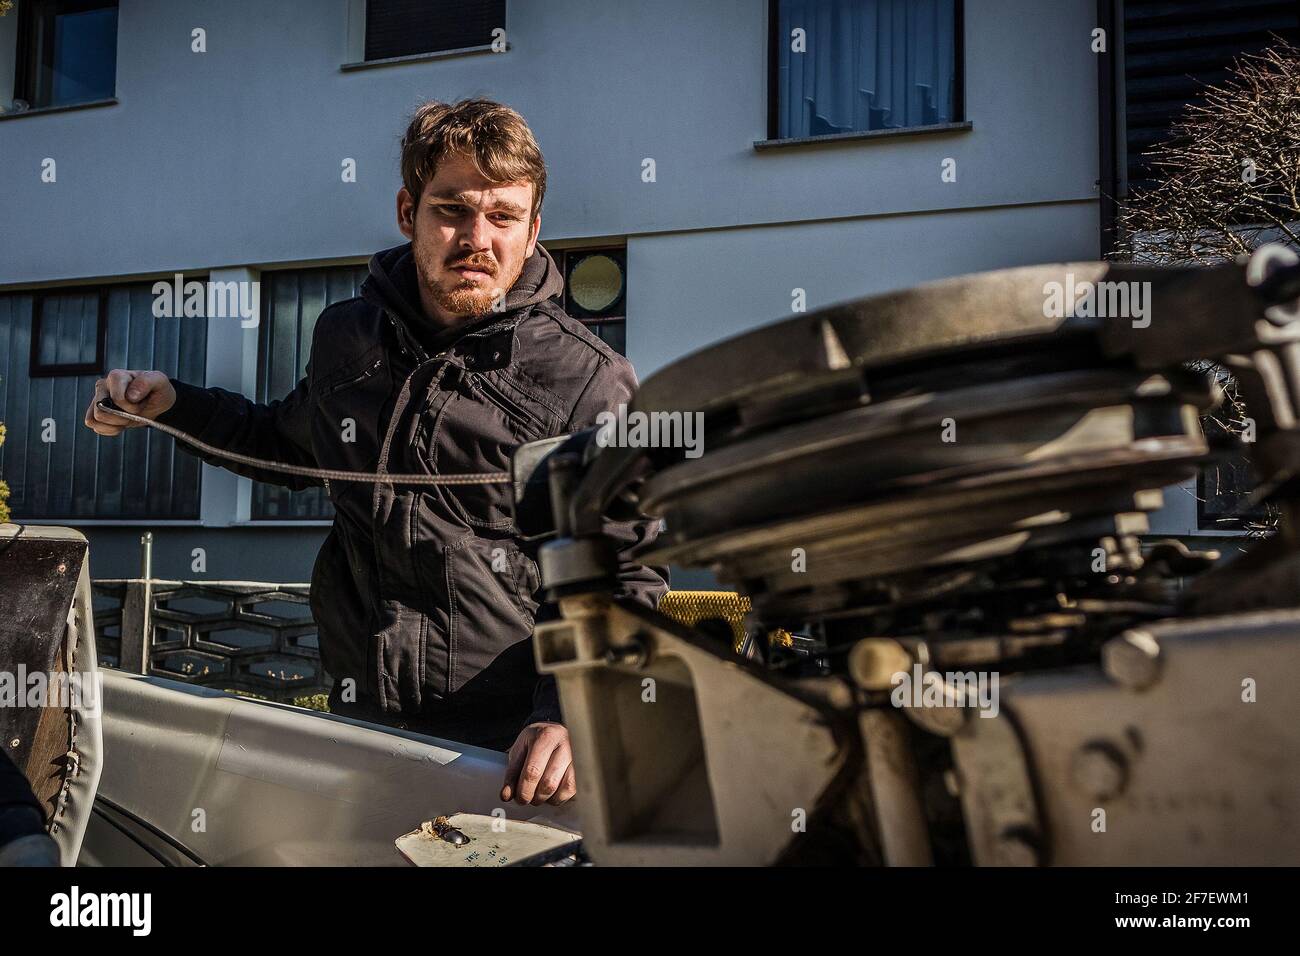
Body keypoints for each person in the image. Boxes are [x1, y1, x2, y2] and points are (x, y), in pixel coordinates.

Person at [84, 98, 668, 807]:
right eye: (451, 209)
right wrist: (173, 403)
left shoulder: (587, 380)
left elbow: (621, 570)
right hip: (365, 722)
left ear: (533, 229)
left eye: (503, 216)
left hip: (512, 752)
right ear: (406, 211)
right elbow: (285, 446)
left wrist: (571, 709)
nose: (477, 238)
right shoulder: (349, 339)